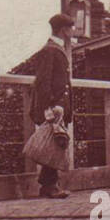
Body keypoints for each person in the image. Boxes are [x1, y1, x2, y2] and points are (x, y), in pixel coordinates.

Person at [30, 13, 76, 197]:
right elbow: (43, 82)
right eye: (70, 28)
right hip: (53, 107)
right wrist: (48, 109)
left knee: (56, 143)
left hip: (58, 107)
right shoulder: (50, 50)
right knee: (54, 143)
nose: (72, 31)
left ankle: (48, 185)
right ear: (64, 30)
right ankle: (49, 186)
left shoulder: (57, 49)